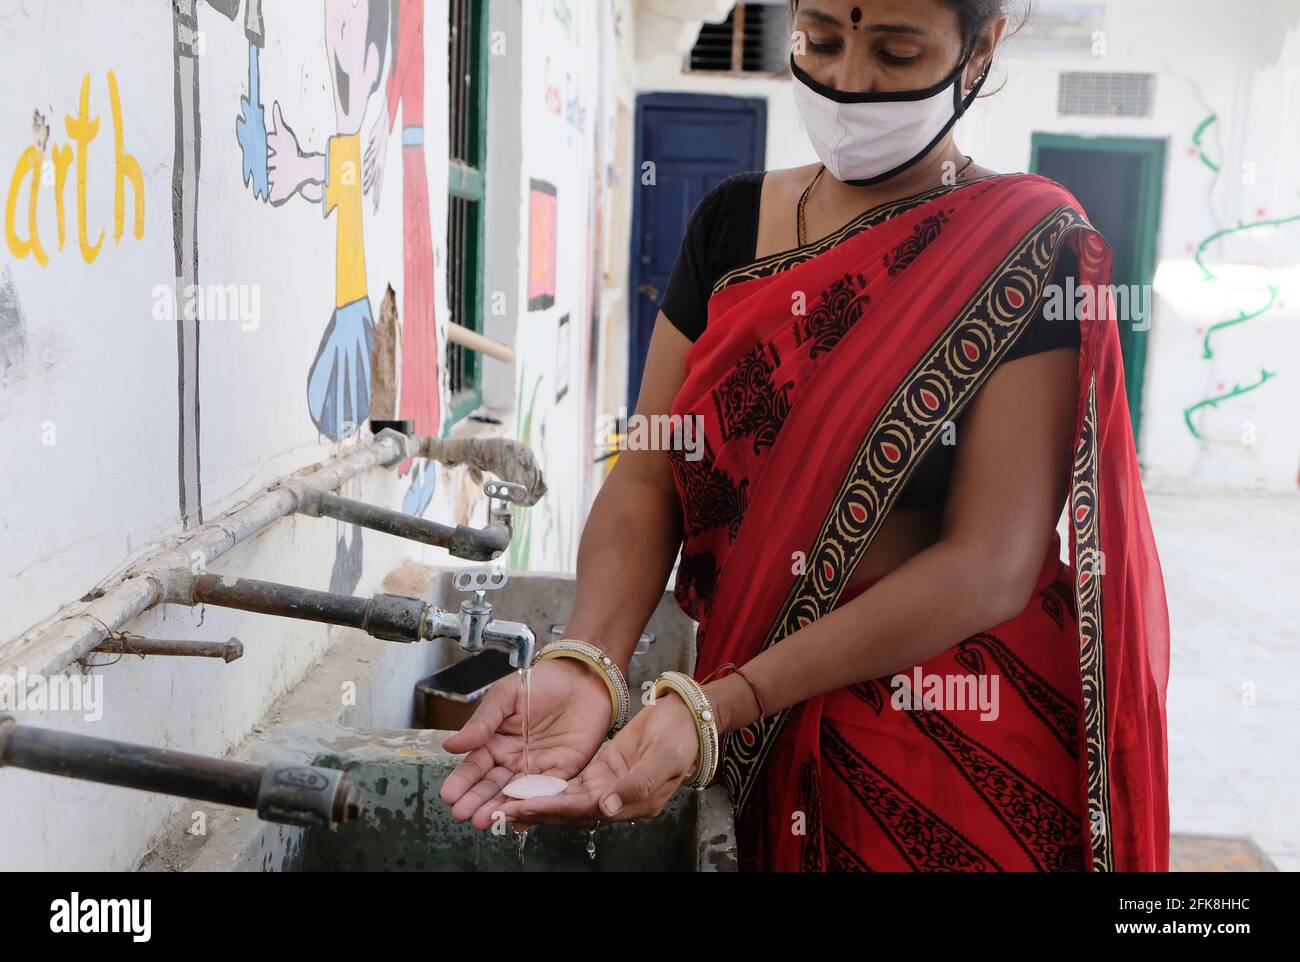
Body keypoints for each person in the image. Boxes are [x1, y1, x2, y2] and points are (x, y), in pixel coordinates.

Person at [441, 0, 1170, 872]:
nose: (847, 81)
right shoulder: (729, 228)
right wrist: (591, 658)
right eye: (821, 39)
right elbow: (648, 478)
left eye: (897, 53)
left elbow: (992, 562)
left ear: (979, 51)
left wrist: (720, 705)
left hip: (946, 751)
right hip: (747, 732)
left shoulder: (1022, 246)